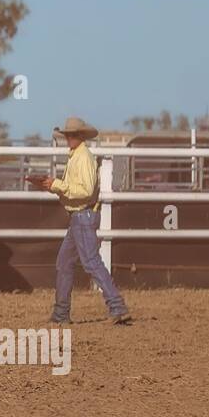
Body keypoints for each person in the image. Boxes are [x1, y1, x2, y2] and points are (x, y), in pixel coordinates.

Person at [28, 116, 131, 325]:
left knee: (89, 262)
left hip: (82, 215)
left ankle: (116, 306)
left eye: (73, 135)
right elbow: (78, 190)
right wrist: (54, 186)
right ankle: (62, 312)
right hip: (80, 217)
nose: (70, 138)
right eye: (68, 135)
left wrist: (56, 185)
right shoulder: (78, 156)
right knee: (66, 263)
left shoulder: (82, 157)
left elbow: (84, 191)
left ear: (80, 136)